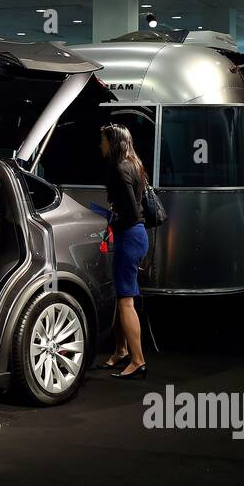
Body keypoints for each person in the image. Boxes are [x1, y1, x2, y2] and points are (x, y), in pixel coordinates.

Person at [100, 123, 150, 379]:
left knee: (126, 300)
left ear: (114, 142)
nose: (101, 145)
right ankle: (121, 350)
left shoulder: (120, 169)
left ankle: (138, 360)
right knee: (121, 294)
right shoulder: (134, 164)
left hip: (130, 236)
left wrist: (108, 218)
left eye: (104, 140)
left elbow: (131, 213)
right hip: (134, 236)